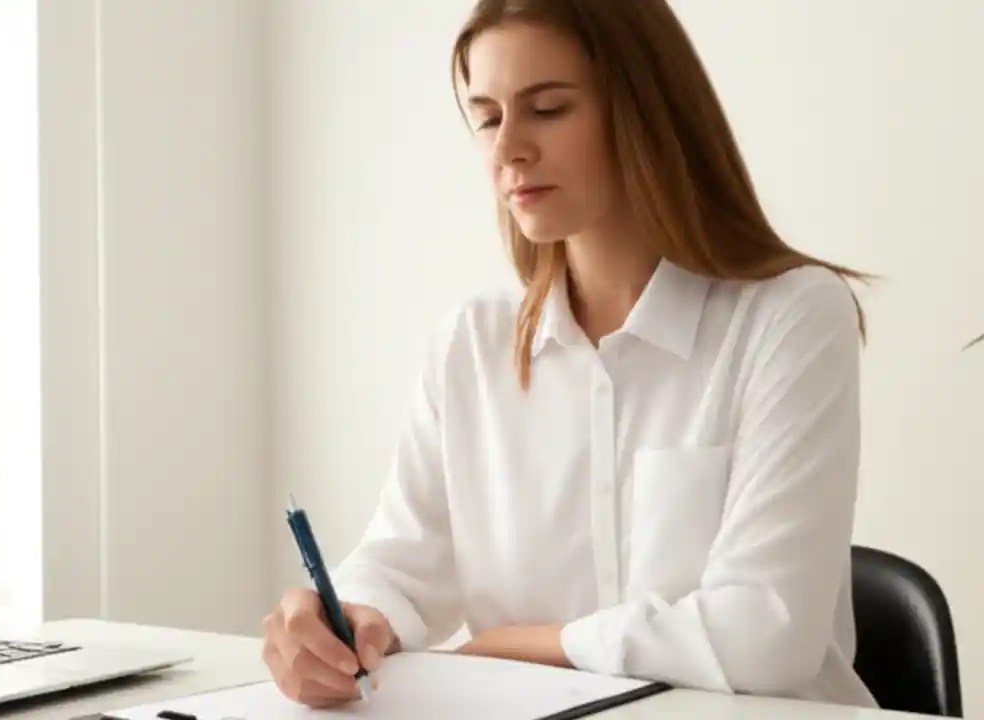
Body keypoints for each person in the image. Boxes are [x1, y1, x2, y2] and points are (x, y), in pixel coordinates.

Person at [261, 0, 877, 710]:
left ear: (646, 111)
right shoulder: (473, 345)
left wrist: (524, 642)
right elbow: (398, 566)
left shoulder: (790, 317)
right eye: (488, 117)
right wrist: (346, 621)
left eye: (548, 109)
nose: (507, 149)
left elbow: (766, 637)